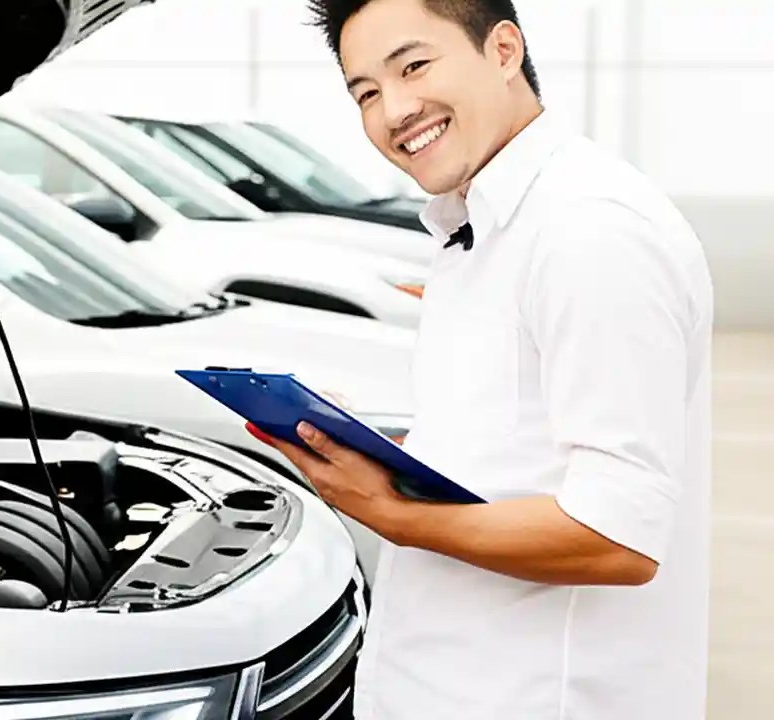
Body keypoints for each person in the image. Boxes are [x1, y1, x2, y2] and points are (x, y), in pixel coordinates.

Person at [246, 1, 714, 718]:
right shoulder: (485, 225)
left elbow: (616, 535)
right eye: (366, 92)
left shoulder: (588, 232)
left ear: (502, 51)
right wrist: (394, 462)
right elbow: (520, 453)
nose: (395, 110)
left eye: (414, 66)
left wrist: (394, 515)